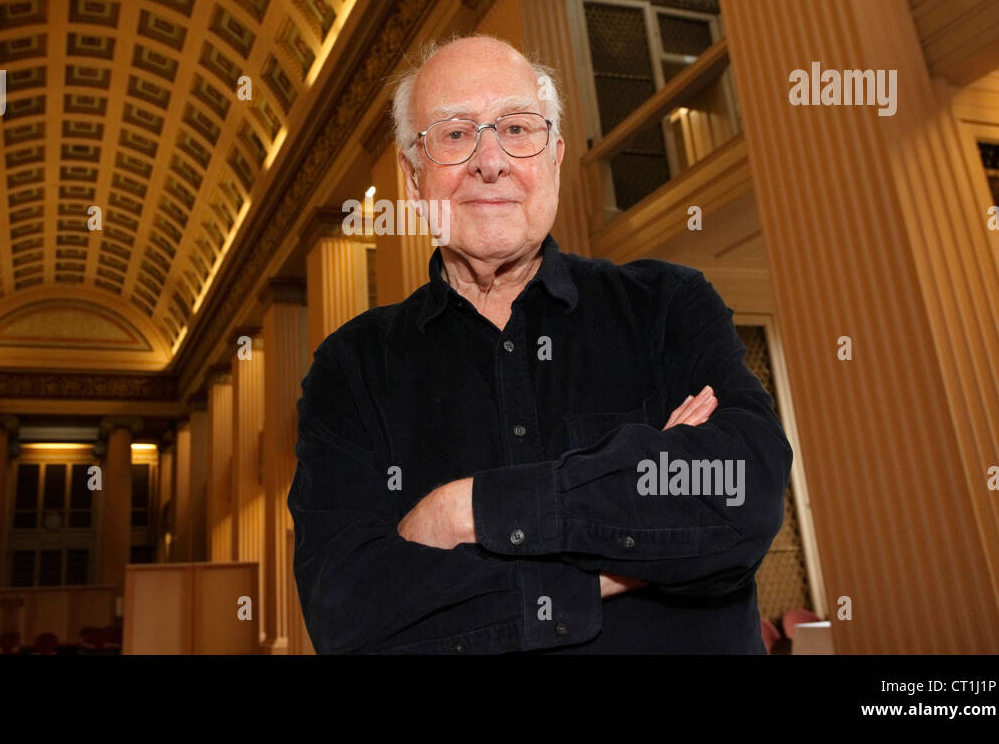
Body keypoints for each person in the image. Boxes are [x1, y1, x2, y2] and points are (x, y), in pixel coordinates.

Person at [287, 35, 793, 653]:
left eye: (517, 128)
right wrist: (622, 549)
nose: (490, 160)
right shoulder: (350, 369)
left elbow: (739, 490)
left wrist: (464, 509)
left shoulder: (667, 307)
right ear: (413, 178)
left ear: (554, 154)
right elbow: (349, 613)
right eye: (454, 134)